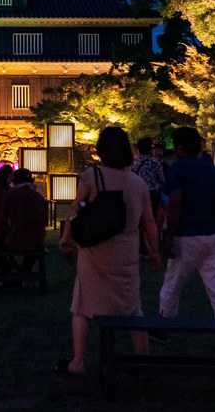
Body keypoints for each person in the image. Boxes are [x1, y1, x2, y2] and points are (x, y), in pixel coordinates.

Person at [58, 127, 159, 376]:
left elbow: (77, 209)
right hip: (126, 251)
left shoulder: (91, 177)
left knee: (82, 305)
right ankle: (142, 358)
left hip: (95, 250)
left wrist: (67, 237)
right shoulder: (138, 183)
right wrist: (154, 251)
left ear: (101, 151)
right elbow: (148, 221)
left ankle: (79, 361)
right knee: (133, 307)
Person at [157, 126, 215, 349]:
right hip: (214, 234)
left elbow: (174, 203)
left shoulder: (178, 170)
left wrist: (168, 236)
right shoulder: (212, 170)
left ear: (179, 147)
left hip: (187, 235)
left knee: (173, 283)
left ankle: (164, 324)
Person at [1, 168, 48, 275]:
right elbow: (43, 221)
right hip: (35, 241)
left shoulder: (9, 195)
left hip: (13, 239)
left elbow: (3, 218)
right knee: (34, 252)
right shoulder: (38, 197)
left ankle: (16, 275)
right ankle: (24, 272)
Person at [132, 137, 166, 214]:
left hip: (137, 192)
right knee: (152, 214)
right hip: (152, 192)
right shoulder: (155, 162)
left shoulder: (133, 162)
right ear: (150, 149)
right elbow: (162, 179)